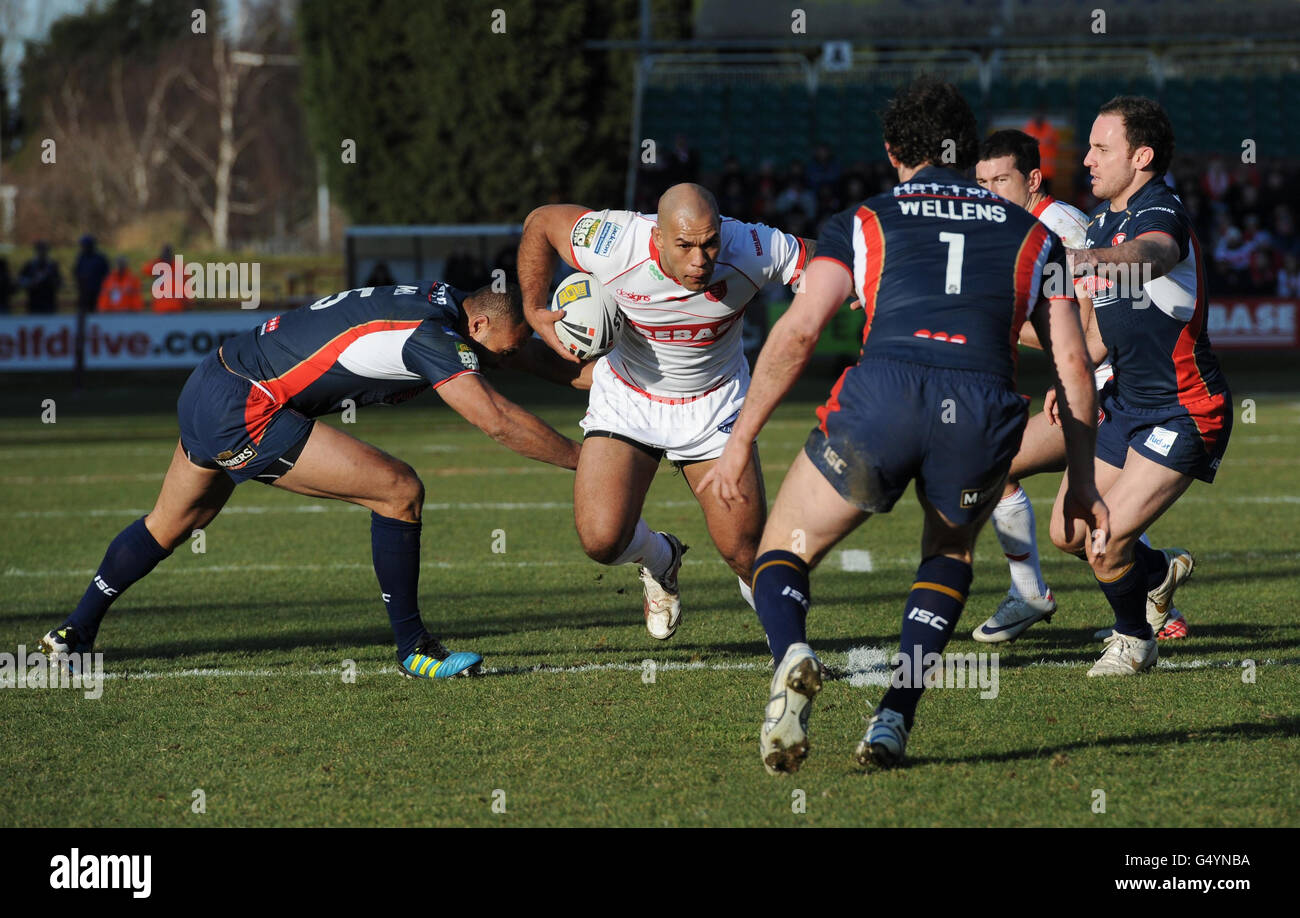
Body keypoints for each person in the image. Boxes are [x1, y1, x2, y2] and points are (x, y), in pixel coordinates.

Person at [701, 79, 1104, 773]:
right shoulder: (1036, 234)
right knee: (947, 555)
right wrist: (1082, 481)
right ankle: (893, 719)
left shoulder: (863, 219)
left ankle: (793, 652)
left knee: (786, 549)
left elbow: (800, 332)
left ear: (893, 151)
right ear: (969, 151)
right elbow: (1072, 365)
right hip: (980, 408)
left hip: (884, 395)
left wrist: (739, 442)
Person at [39, 281, 585, 679]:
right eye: (504, 351)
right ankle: (414, 649)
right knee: (399, 490)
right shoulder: (431, 336)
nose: (501, 362)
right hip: (247, 405)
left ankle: (74, 632)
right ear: (480, 327)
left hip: (211, 378)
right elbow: (499, 421)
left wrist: (598, 373)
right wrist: (588, 462)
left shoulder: (441, 303)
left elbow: (514, 358)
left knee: (169, 523)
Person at [518, 183, 811, 640]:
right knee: (601, 539)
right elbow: (541, 222)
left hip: (713, 405)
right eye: (685, 245)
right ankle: (661, 559)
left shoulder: (753, 245)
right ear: (657, 238)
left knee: (743, 551)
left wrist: (845, 290)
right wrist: (534, 306)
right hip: (629, 400)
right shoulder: (615, 241)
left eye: (710, 242)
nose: (701, 260)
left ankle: (789, 652)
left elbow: (814, 258)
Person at [970, 130, 1187, 643]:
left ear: (1033, 181)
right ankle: (1155, 581)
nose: (989, 191)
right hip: (1086, 379)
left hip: (1108, 385)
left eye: (1001, 179)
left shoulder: (1059, 228)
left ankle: (1069, 597)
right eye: (980, 181)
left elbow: (1092, 321)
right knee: (1073, 514)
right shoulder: (1017, 231)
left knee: (999, 468)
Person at [1056, 96, 1232, 671]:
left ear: (1142, 157)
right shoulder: (1104, 219)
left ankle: (1135, 638)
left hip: (1185, 410)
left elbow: (1154, 255)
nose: (1086, 159)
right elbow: (1102, 334)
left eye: (1101, 148)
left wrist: (1089, 260)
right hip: (1126, 404)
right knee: (1068, 530)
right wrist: (1071, 378)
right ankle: (1158, 573)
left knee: (1104, 546)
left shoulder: (1161, 212)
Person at [17, 241, 61, 314]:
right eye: (40, 249)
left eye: (44, 249)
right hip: (34, 302)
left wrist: (53, 282)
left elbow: (59, 281)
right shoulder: (29, 265)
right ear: (36, 251)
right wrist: (31, 282)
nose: (42, 252)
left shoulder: (52, 266)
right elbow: (20, 280)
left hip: (49, 302)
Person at [145, 245, 189, 313]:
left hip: (176, 308)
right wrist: (158, 261)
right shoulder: (157, 266)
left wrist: (187, 302)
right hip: (160, 308)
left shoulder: (179, 267)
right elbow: (145, 270)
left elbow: (186, 287)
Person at [74, 234, 109, 313]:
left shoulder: (100, 258)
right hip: (84, 293)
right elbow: (76, 272)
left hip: (98, 293)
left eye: (84, 245)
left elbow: (107, 275)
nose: (83, 247)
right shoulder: (81, 257)